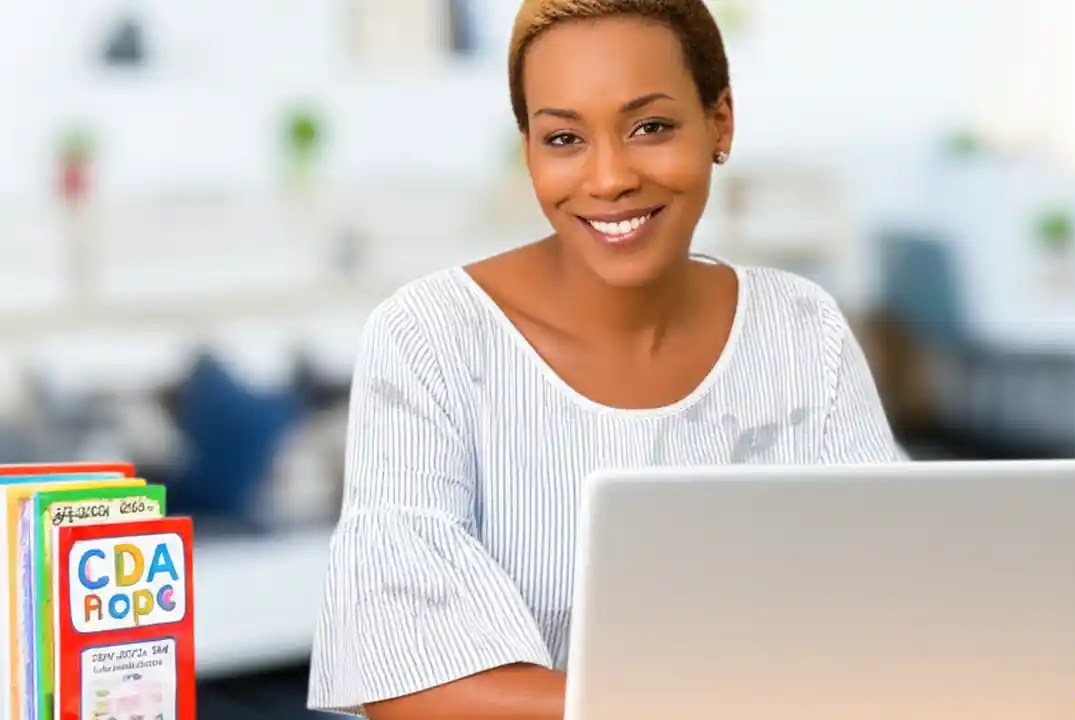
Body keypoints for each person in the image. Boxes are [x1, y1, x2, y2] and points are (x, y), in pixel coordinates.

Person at [306, 1, 902, 717]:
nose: (610, 177)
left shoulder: (803, 330)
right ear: (528, 150)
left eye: (650, 127)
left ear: (721, 122)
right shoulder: (430, 337)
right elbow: (407, 680)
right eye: (564, 138)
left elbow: (887, 605)